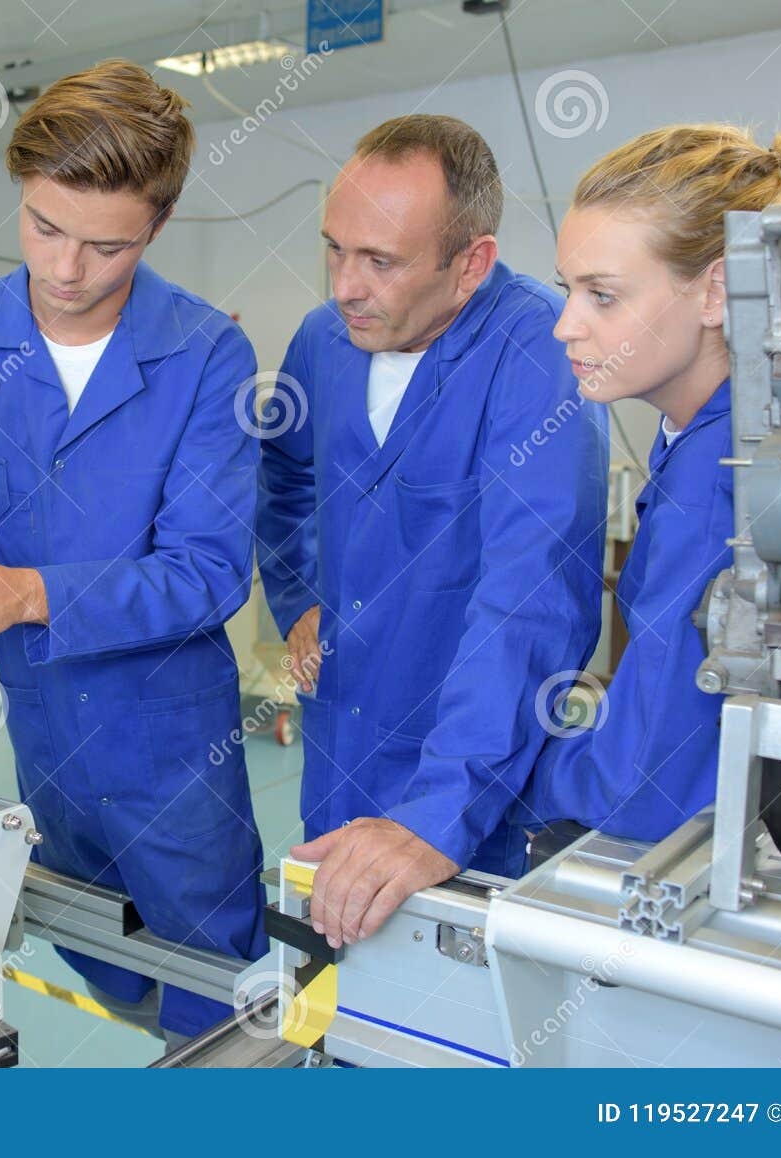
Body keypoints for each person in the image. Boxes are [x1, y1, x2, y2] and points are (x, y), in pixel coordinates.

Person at [0, 60, 265, 1041]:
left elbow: (207, 573)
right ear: (19, 189)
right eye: (44, 228)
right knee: (93, 948)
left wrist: (29, 593)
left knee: (219, 993)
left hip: (173, 747)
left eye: (106, 246)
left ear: (157, 228)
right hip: (43, 736)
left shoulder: (208, 354)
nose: (66, 270)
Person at [256, 114, 608, 950]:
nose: (344, 284)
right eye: (334, 249)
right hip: (341, 743)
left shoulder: (535, 355)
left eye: (379, 261)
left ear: (471, 264)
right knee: (340, 1004)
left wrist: (438, 816)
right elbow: (285, 481)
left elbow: (532, 600)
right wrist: (300, 596)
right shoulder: (322, 342)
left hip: (476, 769)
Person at [513, 120, 781, 850]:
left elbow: (643, 788)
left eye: (602, 296)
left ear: (715, 292)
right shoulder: (746, 434)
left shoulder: (715, 483)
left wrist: (506, 775)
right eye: (567, 290)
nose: (565, 326)